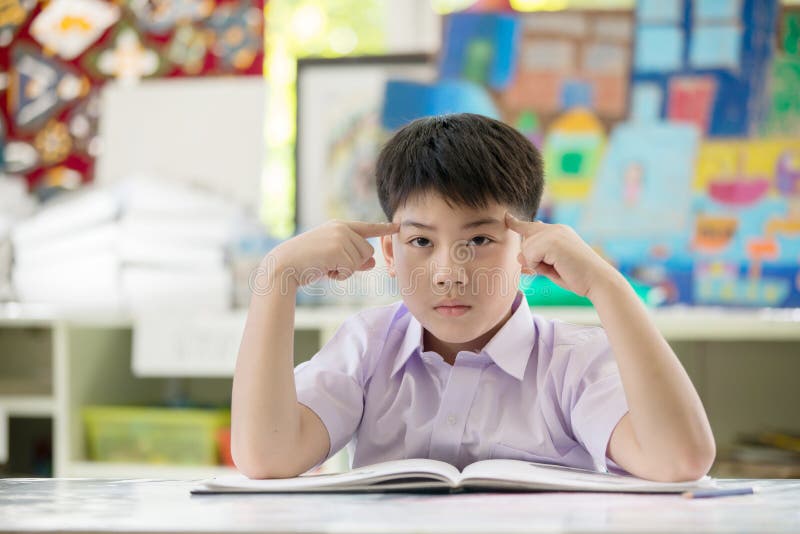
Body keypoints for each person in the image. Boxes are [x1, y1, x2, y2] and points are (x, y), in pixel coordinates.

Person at [231, 113, 716, 482]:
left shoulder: (573, 362)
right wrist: (278, 276)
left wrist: (607, 287)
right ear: (390, 252)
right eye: (421, 241)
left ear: (528, 246)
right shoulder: (366, 345)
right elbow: (265, 458)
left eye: (480, 240)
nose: (449, 274)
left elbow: (679, 460)